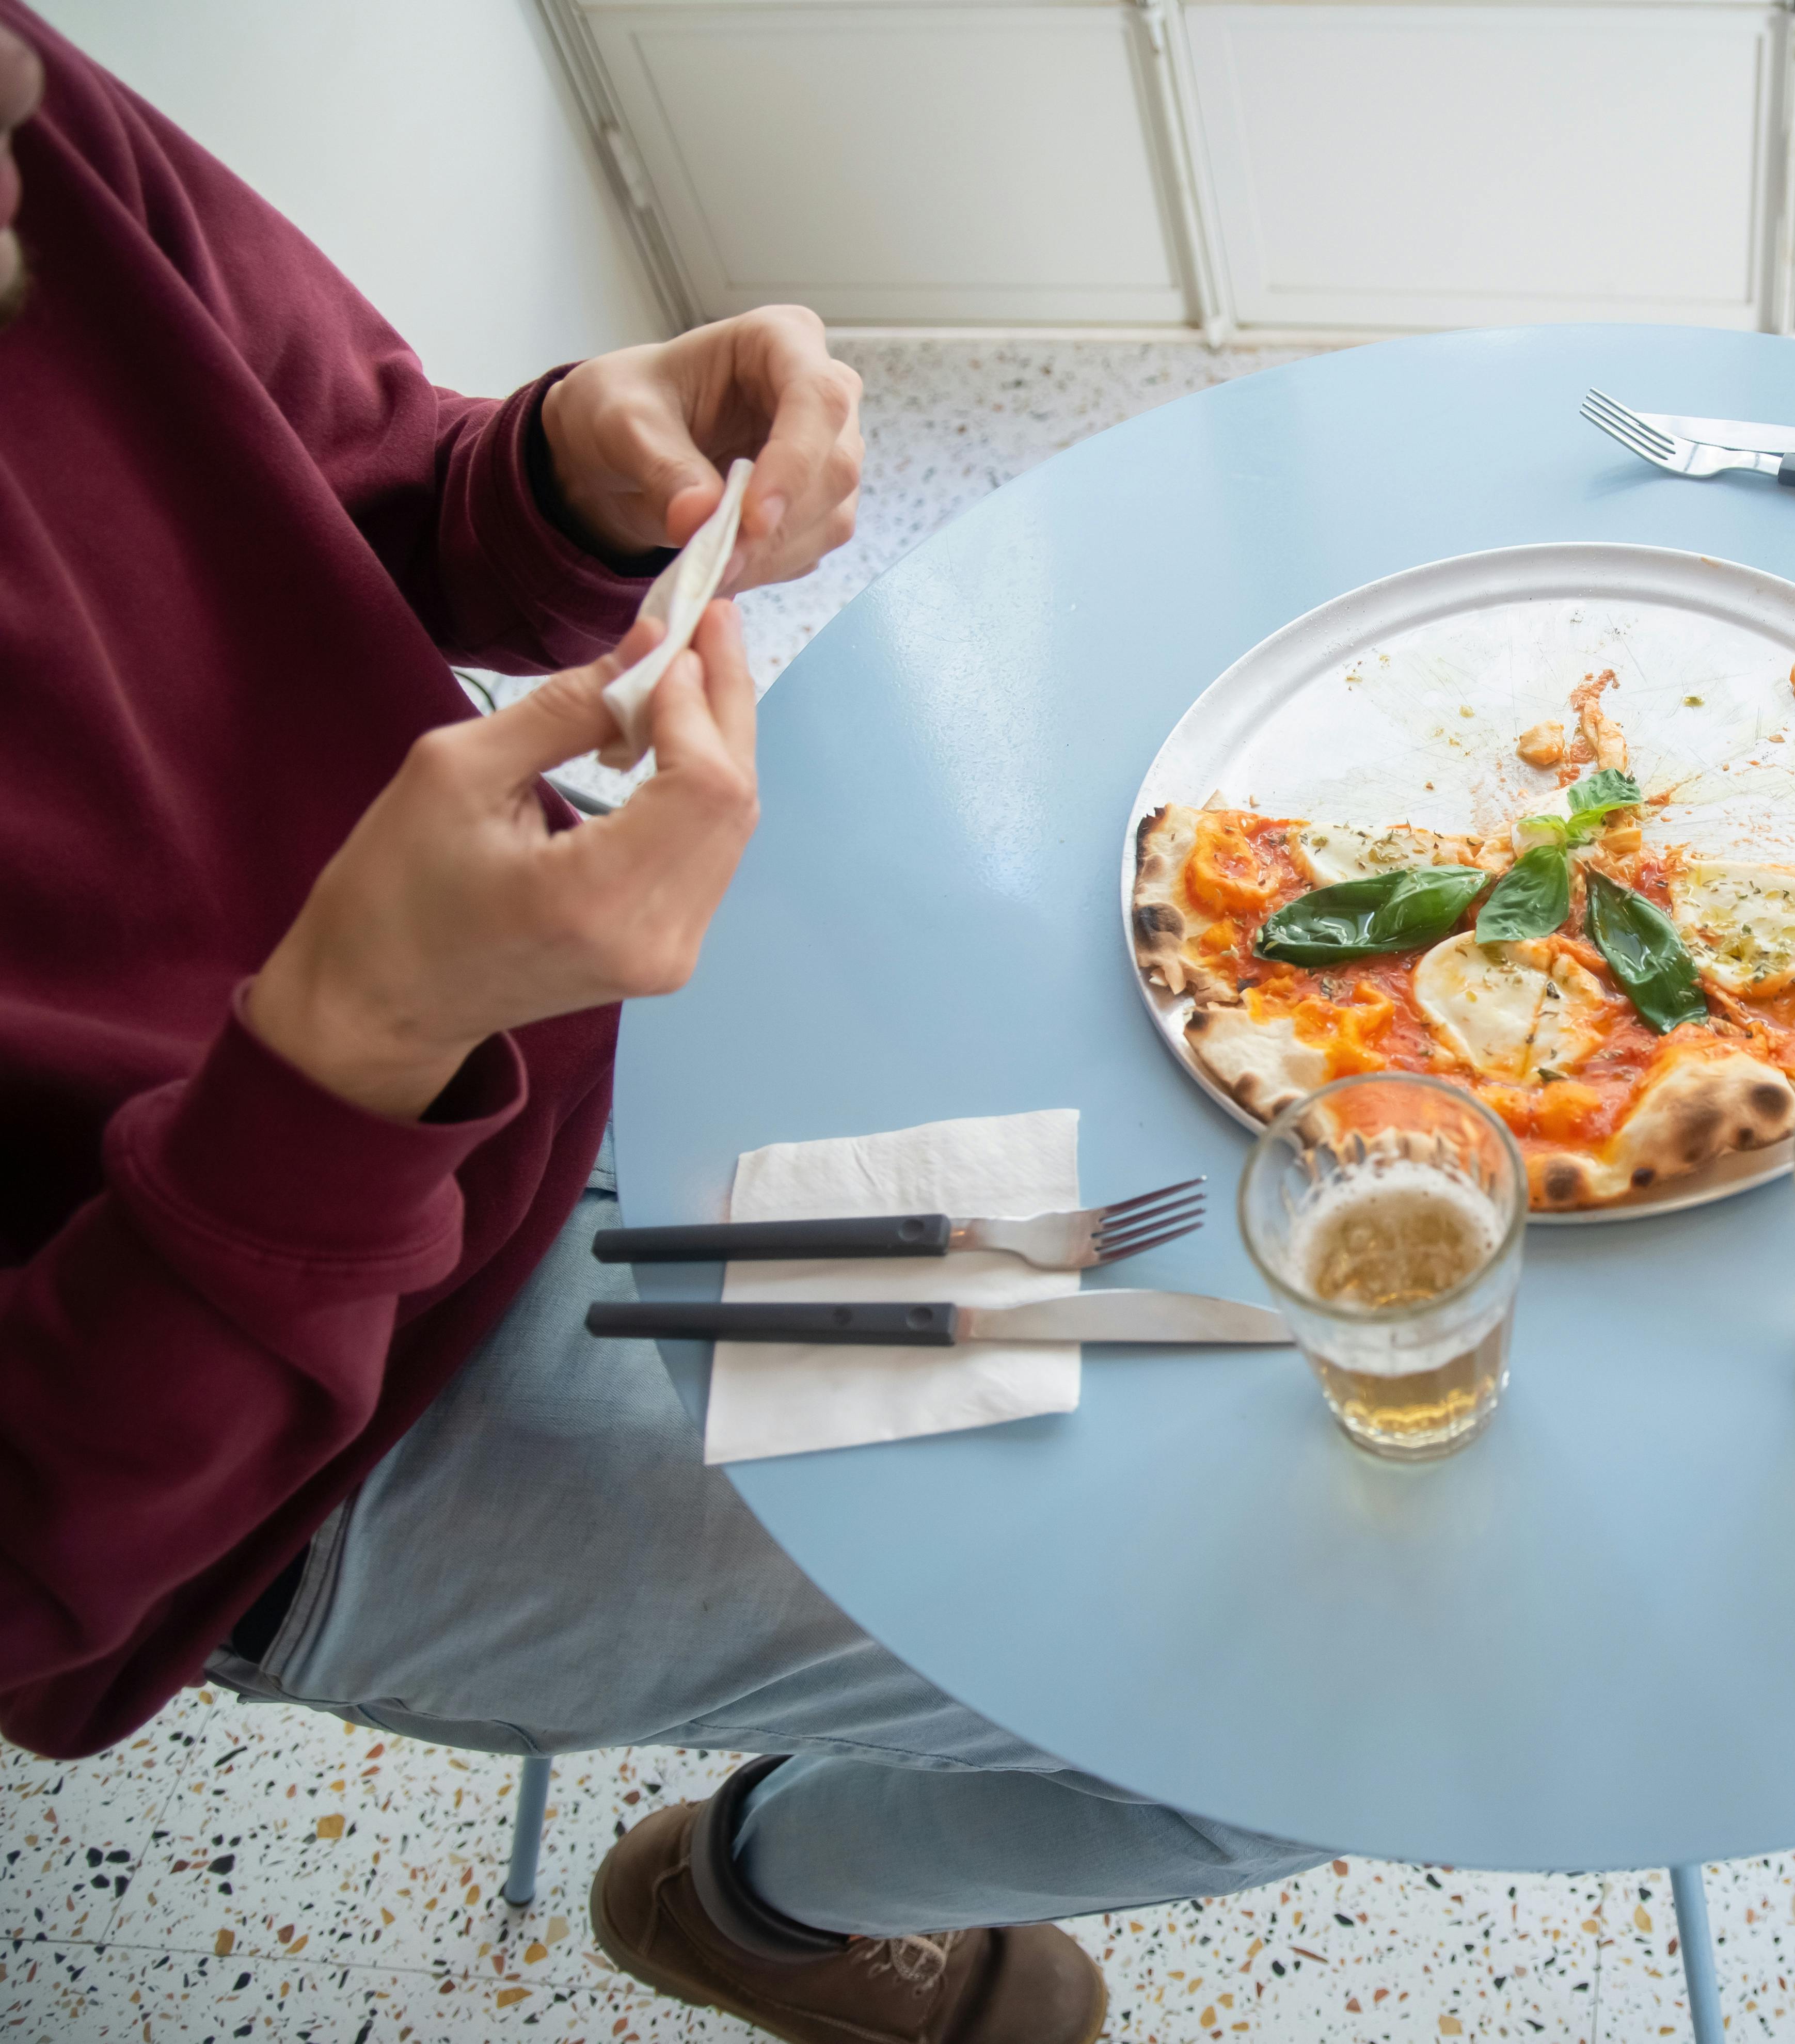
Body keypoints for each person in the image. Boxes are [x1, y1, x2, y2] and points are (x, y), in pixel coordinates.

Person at [0, 11, 1320, 2042]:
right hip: (349, 1420)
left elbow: (358, 462)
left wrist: (554, 471)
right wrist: (356, 1054)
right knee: (1312, 1728)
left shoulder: (14, 109)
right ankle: (757, 1903)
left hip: (570, 1019)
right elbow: (40, 1586)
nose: (28, 99)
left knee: (1241, 1265)